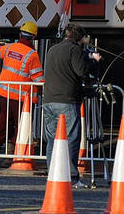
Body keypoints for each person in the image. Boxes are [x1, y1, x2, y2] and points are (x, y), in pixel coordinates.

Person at [42, 24, 98, 188]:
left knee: (52, 140)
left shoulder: (52, 49)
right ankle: (72, 178)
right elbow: (81, 71)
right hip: (66, 101)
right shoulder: (75, 50)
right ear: (80, 38)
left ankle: (53, 174)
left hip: (49, 100)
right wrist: (93, 60)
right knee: (72, 139)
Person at [0, 22, 44, 154]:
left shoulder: (9, 48)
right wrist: (44, 89)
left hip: (5, 94)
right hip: (22, 98)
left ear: (20, 34)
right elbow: (38, 78)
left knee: (3, 123)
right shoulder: (32, 55)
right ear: (33, 38)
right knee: (20, 127)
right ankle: (10, 154)